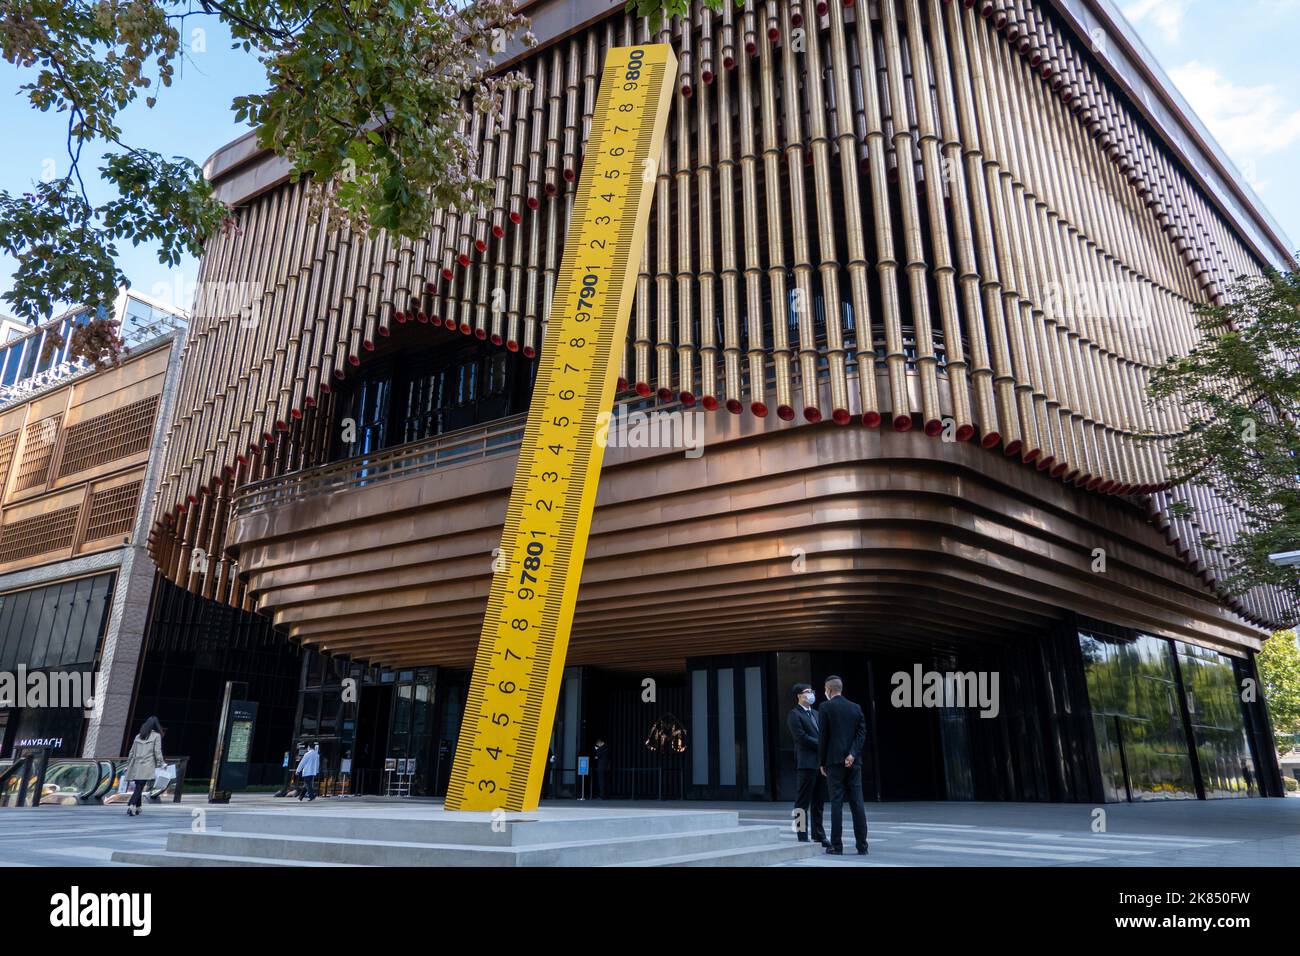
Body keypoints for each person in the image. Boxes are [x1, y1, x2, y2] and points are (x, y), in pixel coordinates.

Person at [817, 676, 868, 855]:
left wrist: (821, 762)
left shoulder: (825, 707)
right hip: (854, 762)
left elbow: (823, 736)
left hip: (833, 762)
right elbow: (862, 734)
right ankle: (862, 846)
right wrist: (852, 754)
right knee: (857, 802)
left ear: (829, 689)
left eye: (825, 689)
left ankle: (837, 846)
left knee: (836, 803)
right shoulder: (856, 707)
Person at [786, 684, 828, 847]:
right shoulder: (794, 714)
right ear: (799, 695)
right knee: (802, 801)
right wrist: (822, 744)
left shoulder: (817, 714)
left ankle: (819, 834)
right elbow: (801, 737)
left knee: (819, 802)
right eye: (807, 692)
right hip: (806, 764)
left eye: (812, 691)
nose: (811, 694)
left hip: (820, 764)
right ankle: (801, 834)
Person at [124, 717, 165, 817]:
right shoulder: (156, 736)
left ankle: (138, 807)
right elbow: (157, 751)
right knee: (139, 787)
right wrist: (161, 763)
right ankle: (132, 805)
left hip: (136, 765)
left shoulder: (138, 736)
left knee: (139, 786)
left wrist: (128, 764)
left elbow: (131, 752)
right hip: (147, 765)